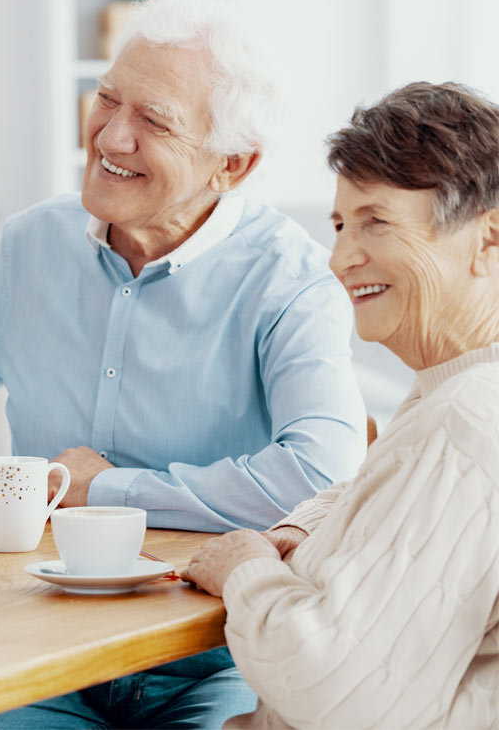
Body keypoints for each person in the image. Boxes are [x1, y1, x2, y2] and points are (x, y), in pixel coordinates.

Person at [0, 0, 367, 728]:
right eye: (109, 99)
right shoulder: (29, 248)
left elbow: (320, 474)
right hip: (35, 651)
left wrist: (113, 489)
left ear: (233, 164)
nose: (112, 137)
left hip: (209, 661)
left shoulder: (290, 278)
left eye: (153, 121)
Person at [183, 82, 499, 728]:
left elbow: (334, 688)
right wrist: (304, 530)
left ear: (488, 237)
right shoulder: (451, 393)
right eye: (338, 225)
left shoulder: (463, 422)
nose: (340, 259)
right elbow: (382, 500)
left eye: (374, 222)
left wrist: (245, 568)